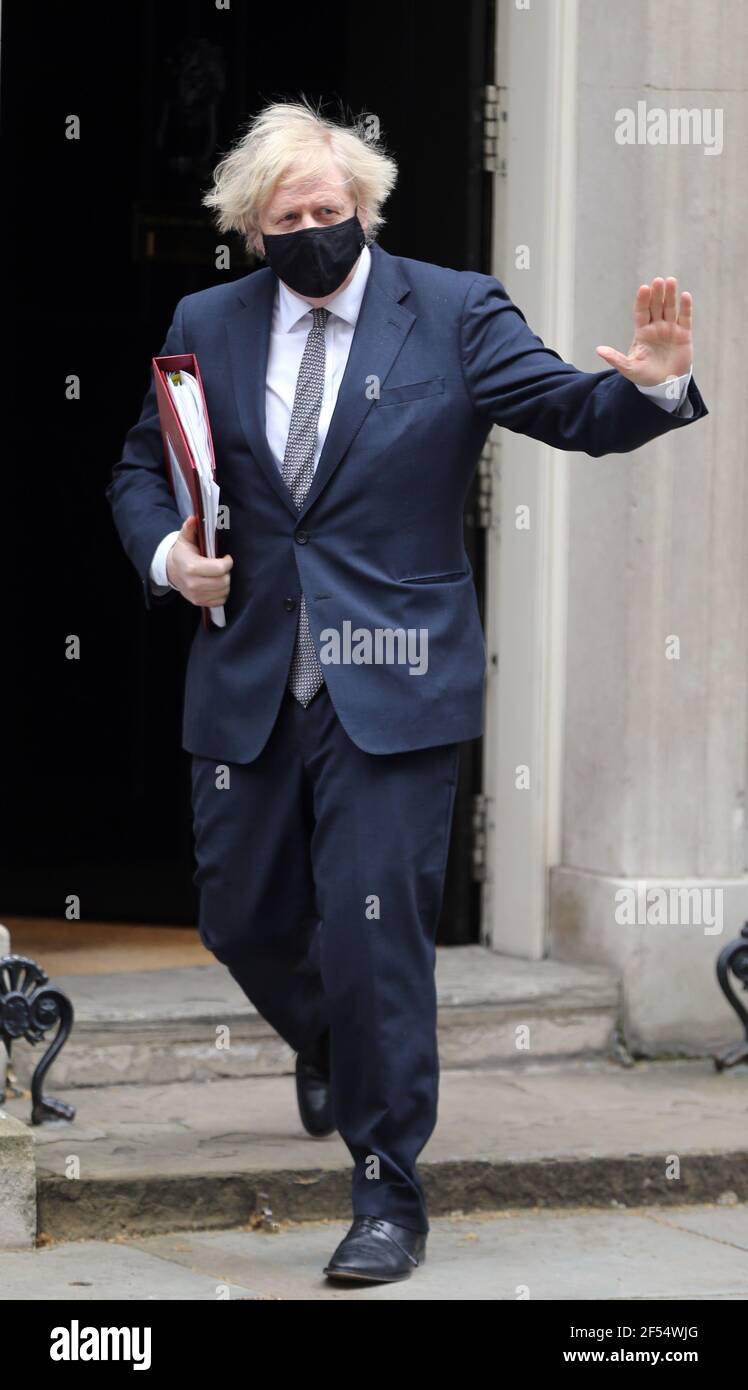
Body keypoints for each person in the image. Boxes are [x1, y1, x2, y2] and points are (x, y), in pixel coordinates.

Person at [106, 97, 708, 1285]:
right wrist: (171, 557)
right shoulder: (206, 321)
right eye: (286, 219)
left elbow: (564, 406)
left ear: (365, 208)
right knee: (239, 916)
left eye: (327, 211)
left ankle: (388, 1192)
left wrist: (647, 389)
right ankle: (332, 1039)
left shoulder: (452, 308)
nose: (310, 232)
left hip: (393, 678)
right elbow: (142, 464)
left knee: (375, 937)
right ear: (251, 229)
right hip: (249, 672)